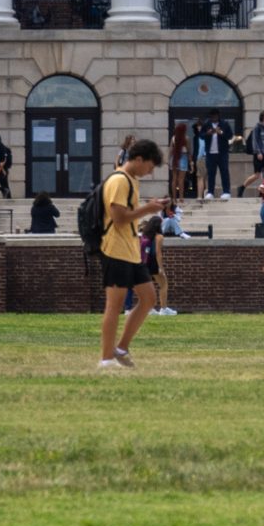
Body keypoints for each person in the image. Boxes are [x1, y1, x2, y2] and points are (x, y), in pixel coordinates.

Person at [96, 139, 168, 370]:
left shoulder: (130, 180)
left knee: (148, 298)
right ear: (138, 159)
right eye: (150, 166)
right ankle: (106, 359)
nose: (150, 172)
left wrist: (146, 207)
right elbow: (118, 219)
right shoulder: (119, 181)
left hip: (130, 250)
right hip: (115, 249)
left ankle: (121, 348)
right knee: (114, 305)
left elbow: (127, 215)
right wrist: (148, 209)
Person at [141, 215, 177, 318]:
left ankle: (150, 309)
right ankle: (164, 309)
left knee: (150, 286)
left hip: (145, 263)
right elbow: (158, 253)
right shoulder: (159, 236)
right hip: (154, 263)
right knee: (164, 284)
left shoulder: (145, 234)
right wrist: (161, 268)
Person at [199, 114, 231, 200]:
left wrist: (221, 133)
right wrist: (208, 133)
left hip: (222, 153)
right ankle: (210, 192)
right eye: (212, 117)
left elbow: (230, 136)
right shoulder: (207, 124)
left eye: (215, 117)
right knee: (211, 173)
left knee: (224, 172)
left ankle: (226, 191)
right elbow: (201, 136)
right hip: (210, 153)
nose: (214, 118)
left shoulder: (224, 124)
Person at [168, 121, 192, 203]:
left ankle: (174, 198)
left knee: (174, 179)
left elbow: (170, 150)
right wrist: (191, 162)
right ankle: (181, 198)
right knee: (181, 180)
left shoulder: (173, 138)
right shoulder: (186, 138)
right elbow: (189, 151)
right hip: (183, 157)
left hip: (174, 158)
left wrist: (168, 159)